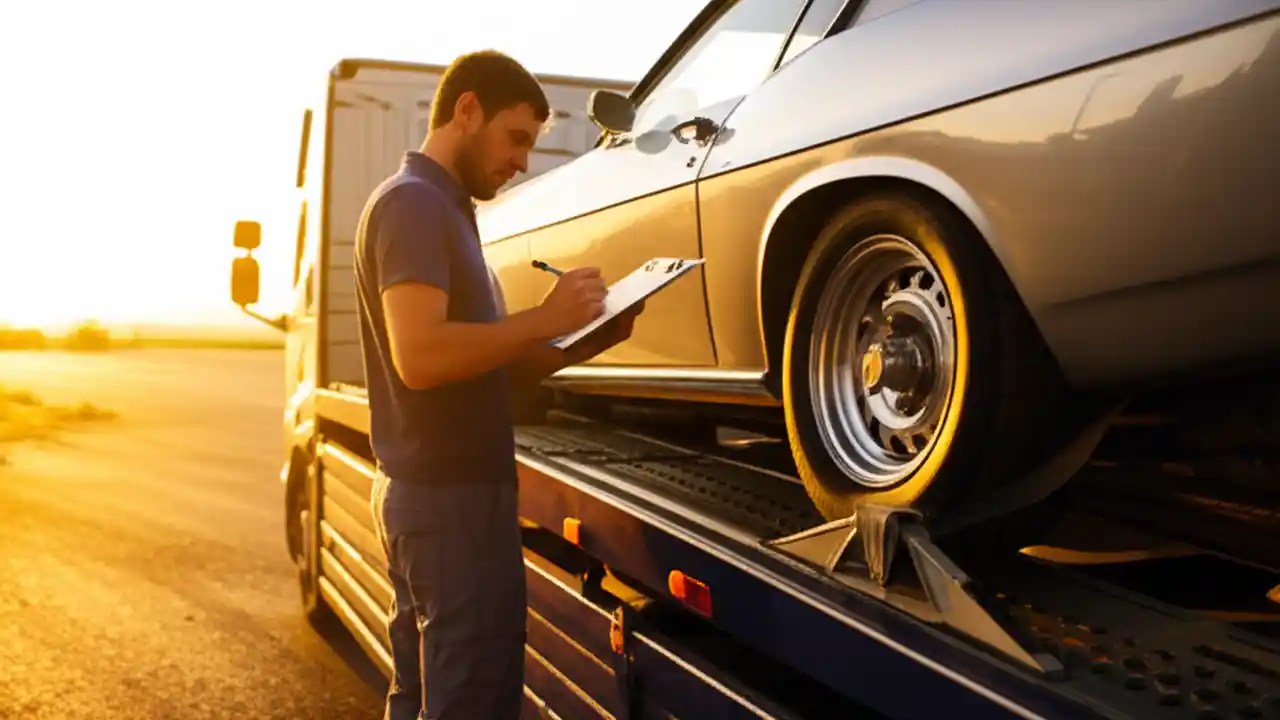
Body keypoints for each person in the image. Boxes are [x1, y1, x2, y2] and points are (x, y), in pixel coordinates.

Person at [353, 50, 642, 720]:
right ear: (466, 111)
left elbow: (484, 364)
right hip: (445, 506)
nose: (522, 162)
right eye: (516, 139)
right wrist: (543, 315)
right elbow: (420, 356)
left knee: (428, 697)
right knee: (468, 706)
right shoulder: (414, 206)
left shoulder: (443, 209)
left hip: (446, 500)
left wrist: (591, 337)